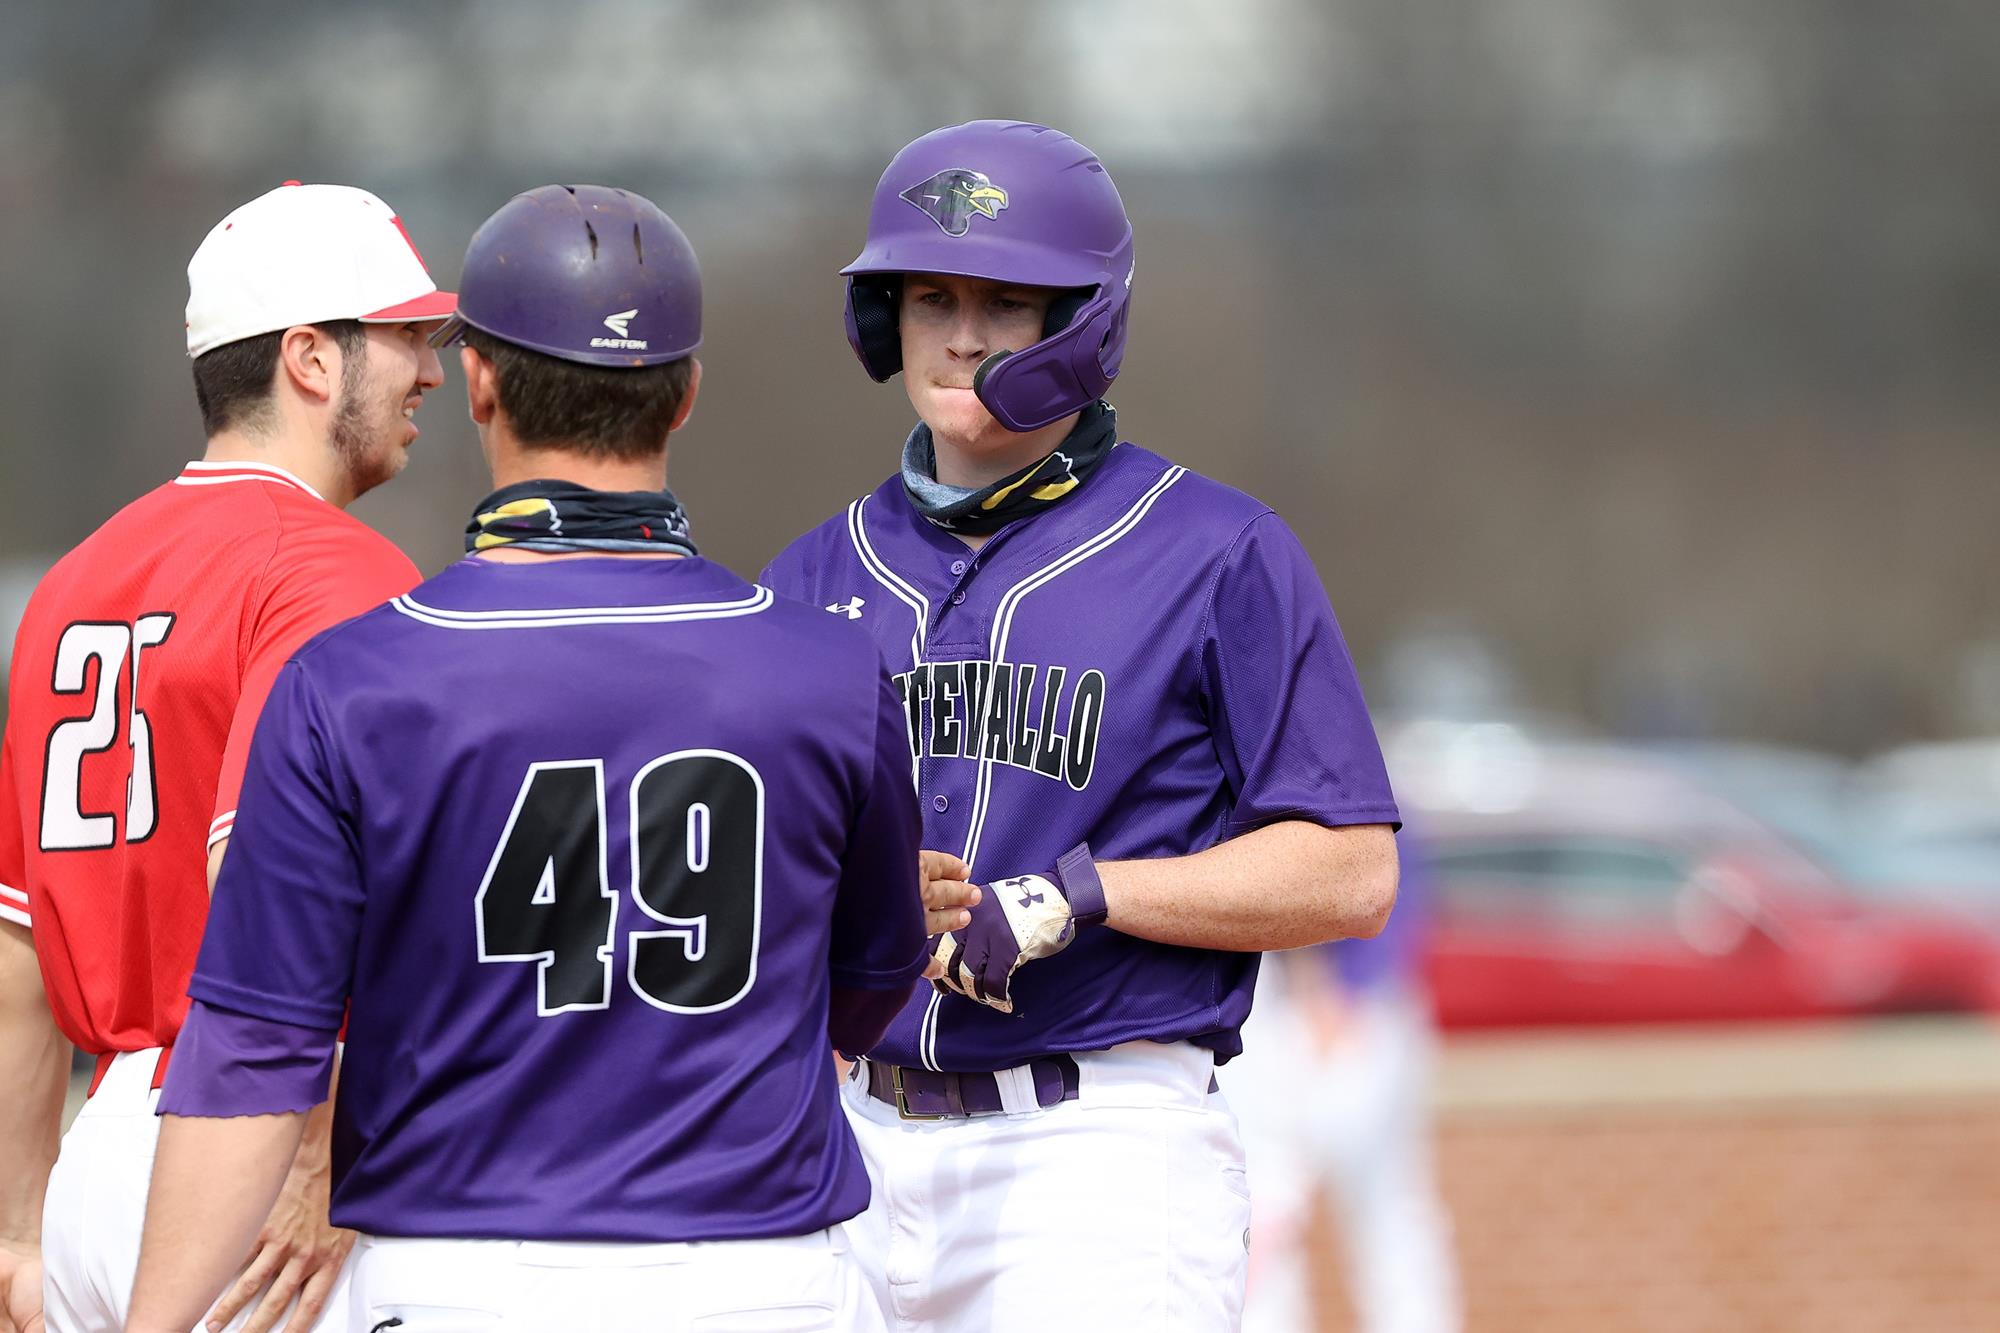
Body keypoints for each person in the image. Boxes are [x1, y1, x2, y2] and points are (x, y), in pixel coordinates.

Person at [124, 184, 932, 1333]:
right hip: (761, 1278)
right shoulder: (832, 670)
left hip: (456, 1278)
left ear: (480, 383)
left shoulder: (353, 679)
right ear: (686, 393)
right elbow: (862, 984)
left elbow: (255, 1052)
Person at [760, 120, 1403, 1331]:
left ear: (1081, 324)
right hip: (844, 1143)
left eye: (1006, 301)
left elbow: (1349, 871)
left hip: (1096, 1145)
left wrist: (1078, 895)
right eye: (928, 294)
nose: (958, 333)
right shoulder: (806, 576)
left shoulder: (1214, 551)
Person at [0, 181, 455, 1333]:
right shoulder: (331, 572)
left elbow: (15, 958)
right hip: (248, 1157)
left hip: (100, 1157)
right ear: (310, 358)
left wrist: (16, 1232)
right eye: (403, 337)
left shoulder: (74, 584)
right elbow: (262, 886)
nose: (431, 373)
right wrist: (318, 1149)